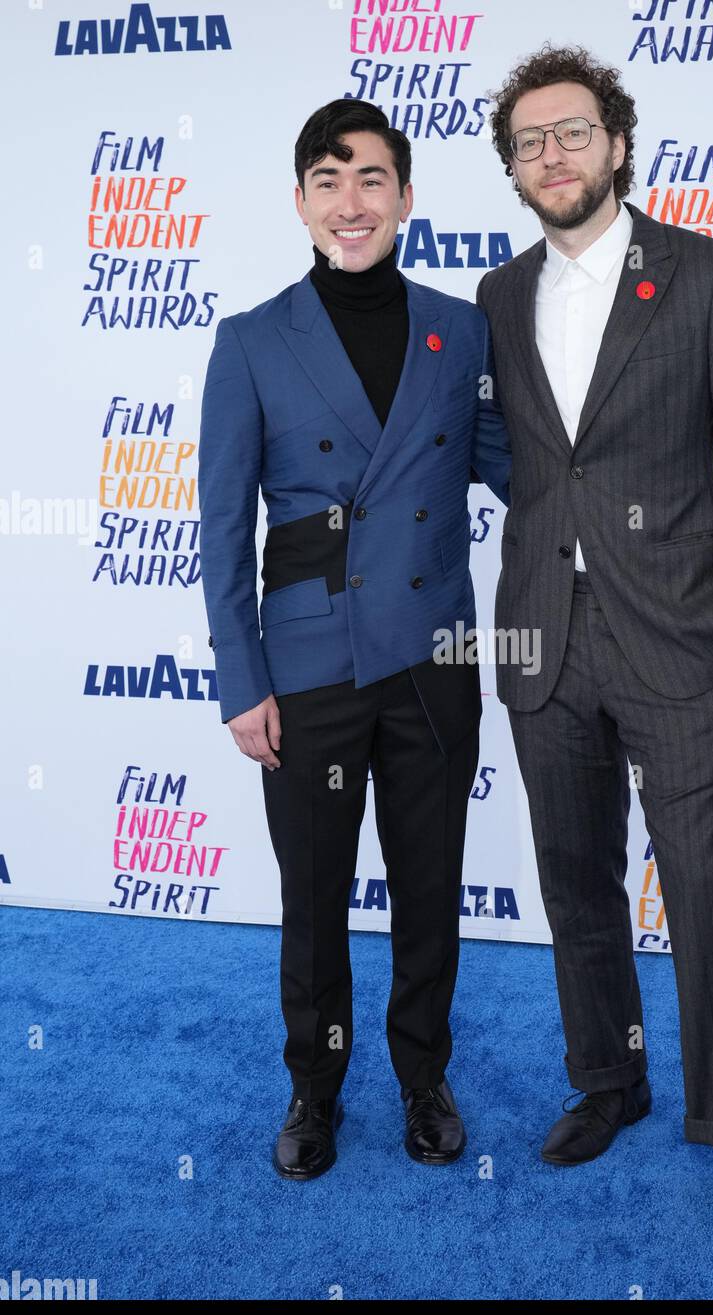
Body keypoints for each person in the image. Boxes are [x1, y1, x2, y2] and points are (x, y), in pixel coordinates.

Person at [476, 44, 713, 1252]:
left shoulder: (711, 277)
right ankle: (611, 1078)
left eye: (570, 133)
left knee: (706, 893)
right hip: (543, 641)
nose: (551, 156)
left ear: (616, 141)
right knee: (575, 884)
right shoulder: (498, 300)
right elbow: (520, 463)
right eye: (528, 142)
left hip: (682, 643)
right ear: (512, 167)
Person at [198, 99, 511, 1181]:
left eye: (372, 179)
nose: (351, 202)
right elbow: (221, 524)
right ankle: (316, 1088)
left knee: (431, 886)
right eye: (328, 180)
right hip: (311, 668)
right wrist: (244, 681)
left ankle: (424, 1078)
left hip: (435, 662)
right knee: (315, 897)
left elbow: (510, 466)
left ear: (407, 198)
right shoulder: (248, 342)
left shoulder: (459, 328)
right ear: (299, 202)